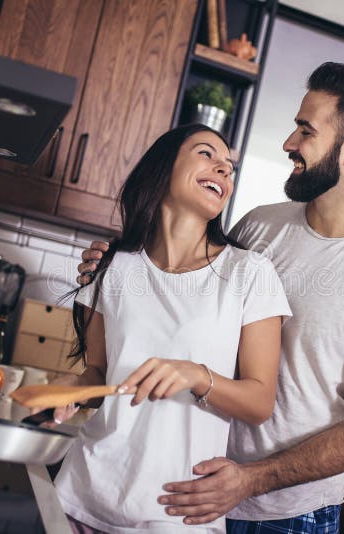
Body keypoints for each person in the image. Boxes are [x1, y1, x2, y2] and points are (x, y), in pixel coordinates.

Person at [77, 62, 344, 533]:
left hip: (286, 515)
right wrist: (110, 268)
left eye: (305, 131)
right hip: (185, 493)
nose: (289, 143)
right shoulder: (261, 225)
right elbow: (174, 301)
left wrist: (250, 480)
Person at [53, 124, 292, 533]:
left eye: (229, 167)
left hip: (176, 513)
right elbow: (100, 373)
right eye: (207, 154)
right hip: (84, 495)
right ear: (164, 168)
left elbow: (259, 402)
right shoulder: (113, 265)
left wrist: (198, 375)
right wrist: (73, 389)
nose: (223, 169)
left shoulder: (249, 273)